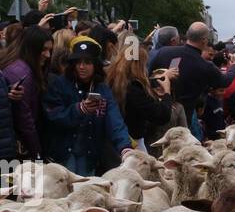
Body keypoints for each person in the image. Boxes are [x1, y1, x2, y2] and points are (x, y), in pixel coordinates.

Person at [43, 39, 130, 174]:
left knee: (86, 188)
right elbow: (53, 116)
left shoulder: (103, 89)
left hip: (89, 153)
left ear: (96, 65)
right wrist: (79, 109)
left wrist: (125, 147)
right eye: (78, 62)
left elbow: (115, 120)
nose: (81, 67)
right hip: (63, 152)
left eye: (87, 62)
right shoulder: (60, 84)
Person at [105, 40, 175, 150]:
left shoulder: (110, 80)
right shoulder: (134, 89)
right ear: (139, 65)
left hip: (112, 139)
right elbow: (161, 115)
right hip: (131, 142)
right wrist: (167, 92)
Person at [149, 23, 224, 124]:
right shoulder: (205, 65)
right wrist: (234, 66)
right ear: (204, 40)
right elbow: (223, 81)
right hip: (180, 117)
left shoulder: (161, 52)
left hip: (157, 115)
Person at [0, 26, 53, 160]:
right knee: (11, 181)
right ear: (31, 49)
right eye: (44, 49)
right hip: (13, 149)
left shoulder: (16, 67)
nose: (48, 55)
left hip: (10, 145)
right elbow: (25, 120)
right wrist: (37, 153)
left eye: (50, 50)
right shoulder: (21, 73)